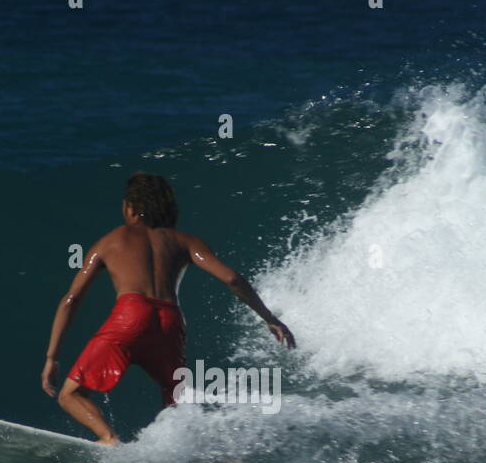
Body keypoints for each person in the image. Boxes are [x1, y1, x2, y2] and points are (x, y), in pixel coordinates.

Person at [41, 172, 296, 444]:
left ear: (131, 207)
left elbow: (72, 299)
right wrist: (269, 318)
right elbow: (232, 278)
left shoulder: (111, 241)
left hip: (130, 315)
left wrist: (51, 357)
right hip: (170, 322)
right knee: (176, 403)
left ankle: (109, 438)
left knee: (71, 394)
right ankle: (204, 455)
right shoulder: (186, 242)